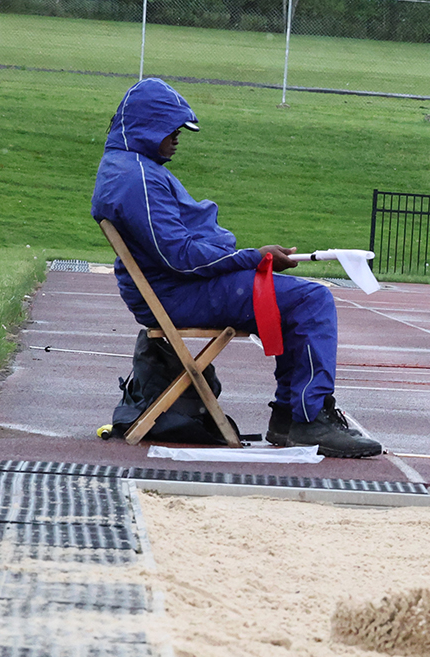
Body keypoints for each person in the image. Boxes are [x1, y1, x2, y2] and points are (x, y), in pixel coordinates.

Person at [90, 78, 381, 458]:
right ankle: (308, 419)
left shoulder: (127, 167)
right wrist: (253, 257)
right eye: (172, 130)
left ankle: (290, 415)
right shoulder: (137, 178)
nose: (177, 139)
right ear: (148, 126)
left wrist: (249, 258)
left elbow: (178, 250)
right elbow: (181, 256)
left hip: (173, 289)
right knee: (312, 300)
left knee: (294, 298)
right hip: (178, 293)